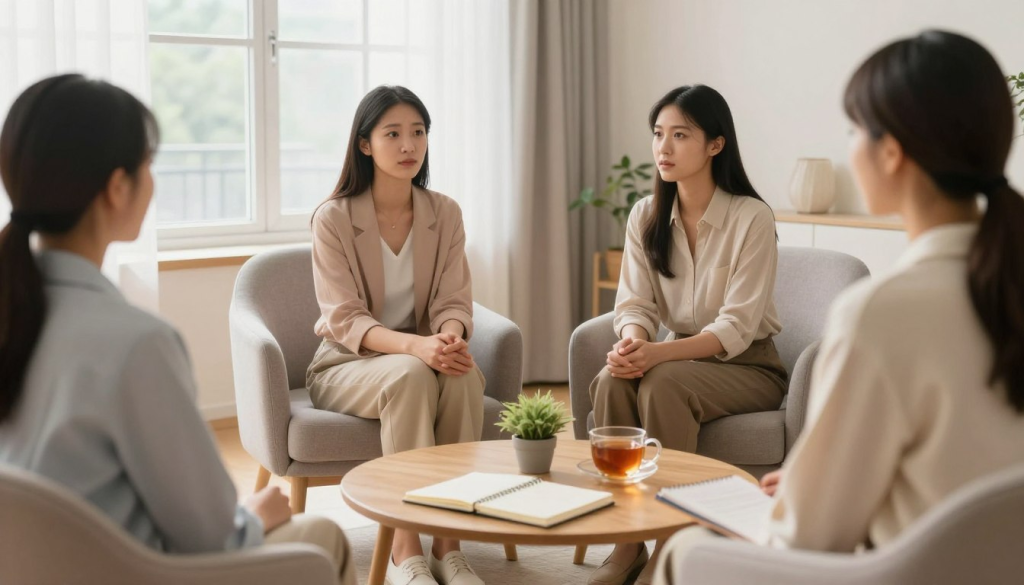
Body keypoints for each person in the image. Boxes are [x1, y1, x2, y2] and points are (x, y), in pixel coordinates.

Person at [653, 30, 1024, 584]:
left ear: (891, 153)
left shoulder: (882, 313)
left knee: (686, 553)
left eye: (853, 130)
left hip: (896, 572)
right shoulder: (999, 284)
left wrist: (794, 506)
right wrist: (809, 486)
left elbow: (808, 540)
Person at [0, 74, 354, 583]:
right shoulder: (134, 344)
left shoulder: (20, 315)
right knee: (321, 539)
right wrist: (256, 514)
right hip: (126, 571)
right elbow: (213, 538)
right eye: (148, 165)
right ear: (117, 187)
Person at [588, 84, 786, 585]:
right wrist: (634, 343)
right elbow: (634, 303)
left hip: (748, 366)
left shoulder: (752, 217)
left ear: (715, 145)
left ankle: (674, 543)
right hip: (675, 359)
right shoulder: (645, 215)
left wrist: (657, 355)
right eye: (658, 134)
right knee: (612, 381)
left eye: (680, 135)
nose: (663, 148)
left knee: (663, 382)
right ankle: (626, 541)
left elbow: (736, 327)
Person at [307, 85, 486, 585]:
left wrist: (448, 339)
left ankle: (448, 543)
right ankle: (404, 547)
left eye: (418, 132)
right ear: (365, 144)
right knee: (410, 374)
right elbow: (344, 317)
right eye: (393, 134)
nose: (409, 145)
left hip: (425, 353)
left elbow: (454, 300)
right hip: (346, 364)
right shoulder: (333, 218)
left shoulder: (443, 212)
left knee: (466, 377)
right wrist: (416, 346)